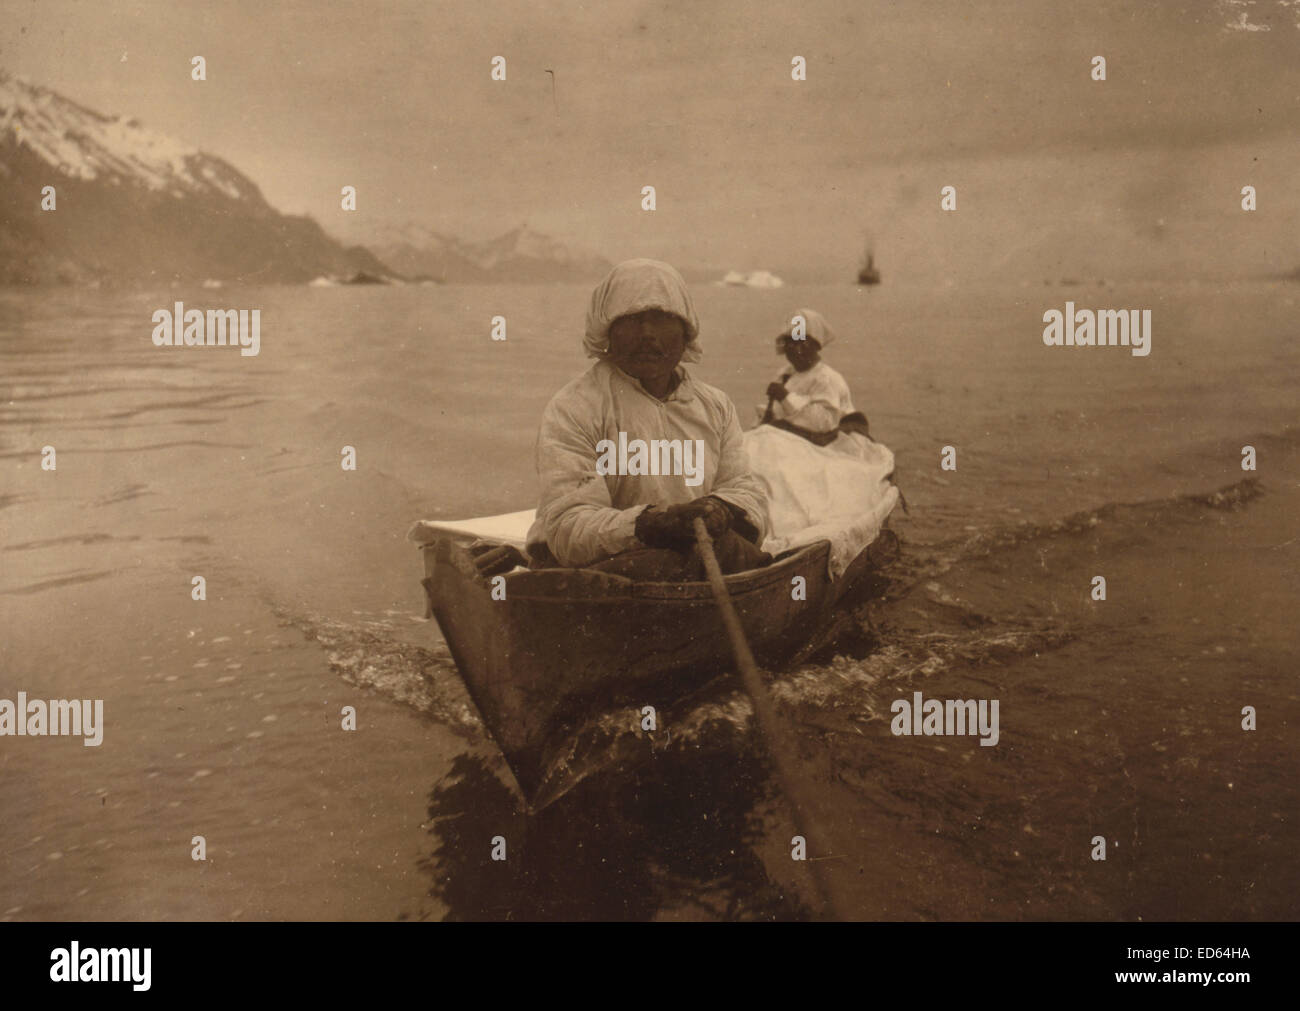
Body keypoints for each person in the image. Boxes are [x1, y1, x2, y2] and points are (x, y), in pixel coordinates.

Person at [520, 258, 771, 580]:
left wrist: (721, 511)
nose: (647, 334)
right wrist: (650, 525)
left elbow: (745, 492)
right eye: (632, 320)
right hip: (607, 573)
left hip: (697, 559)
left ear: (686, 331)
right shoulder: (575, 407)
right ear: (607, 330)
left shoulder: (715, 406)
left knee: (739, 554)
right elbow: (569, 526)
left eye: (662, 318)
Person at [761, 308, 871, 446]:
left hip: (824, 443)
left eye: (802, 342)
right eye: (790, 342)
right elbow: (773, 414)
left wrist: (785, 397)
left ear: (816, 345)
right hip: (788, 439)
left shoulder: (827, 379)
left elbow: (823, 424)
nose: (796, 349)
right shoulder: (784, 374)